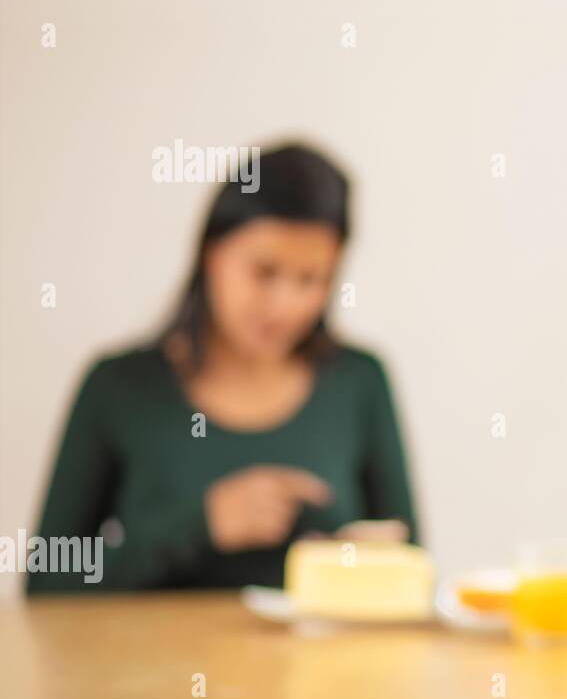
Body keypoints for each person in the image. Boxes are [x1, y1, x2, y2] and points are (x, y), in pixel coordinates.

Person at [28, 144, 418, 593]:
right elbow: (46, 580)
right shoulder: (118, 386)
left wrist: (355, 558)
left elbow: (414, 572)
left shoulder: (360, 381)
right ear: (212, 253)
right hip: (151, 664)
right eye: (264, 271)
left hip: (325, 663)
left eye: (311, 279)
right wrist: (202, 527)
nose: (284, 305)